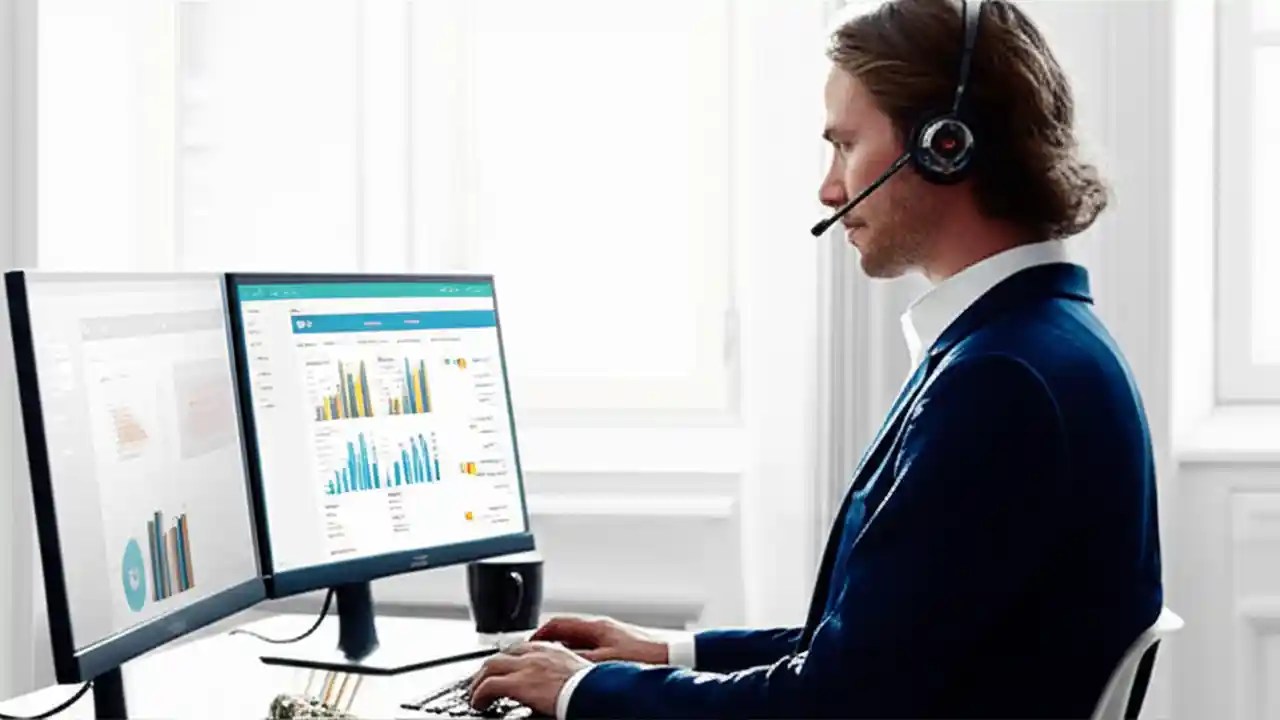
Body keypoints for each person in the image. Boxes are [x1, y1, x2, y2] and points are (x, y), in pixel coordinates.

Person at [468, 0, 1163, 717]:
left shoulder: (1000, 381)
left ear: (943, 145)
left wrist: (582, 691)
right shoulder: (1042, 342)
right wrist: (668, 653)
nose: (830, 189)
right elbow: (876, 647)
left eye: (844, 145)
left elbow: (833, 702)